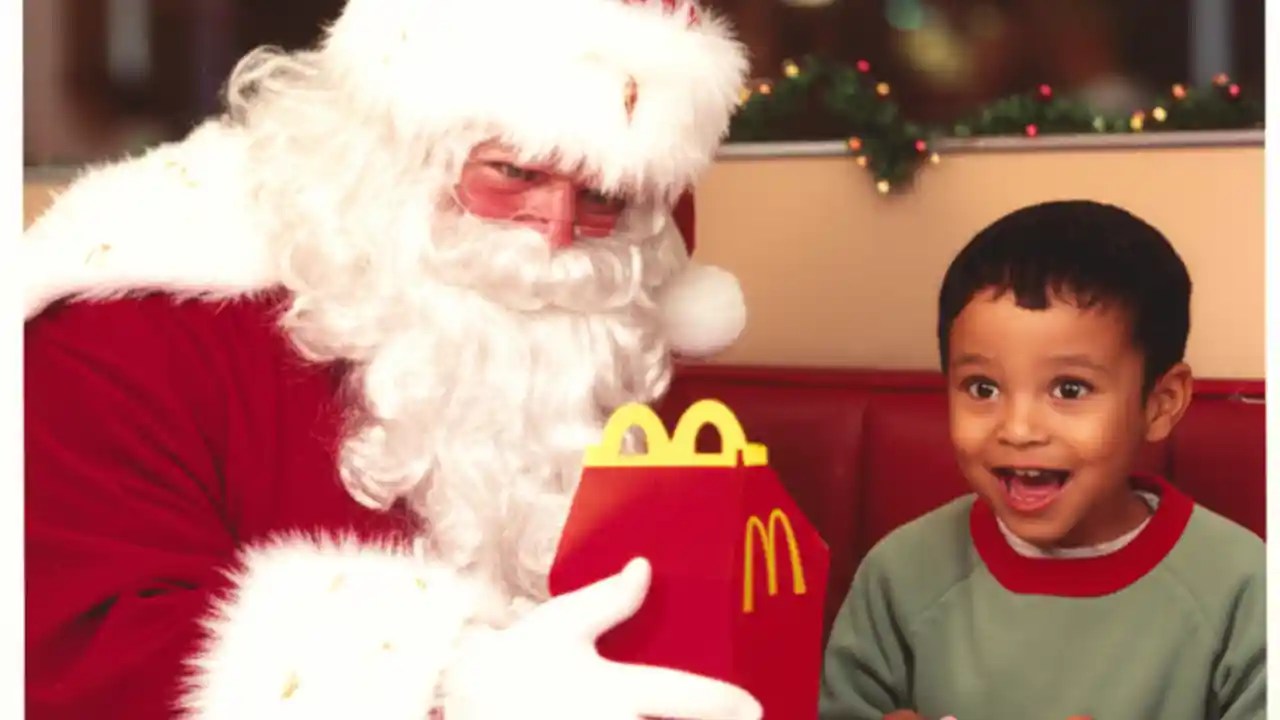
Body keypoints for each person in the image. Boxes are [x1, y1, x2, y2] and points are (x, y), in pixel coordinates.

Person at [22, 0, 765, 717]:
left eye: (601, 194)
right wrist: (445, 691)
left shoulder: (595, 321)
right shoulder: (131, 327)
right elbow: (79, 654)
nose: (557, 230)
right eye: (513, 174)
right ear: (397, 157)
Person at [817, 200, 1265, 720]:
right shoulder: (900, 573)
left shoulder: (1242, 586)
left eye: (1070, 389)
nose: (1018, 429)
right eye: (982, 388)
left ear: (1161, 403)